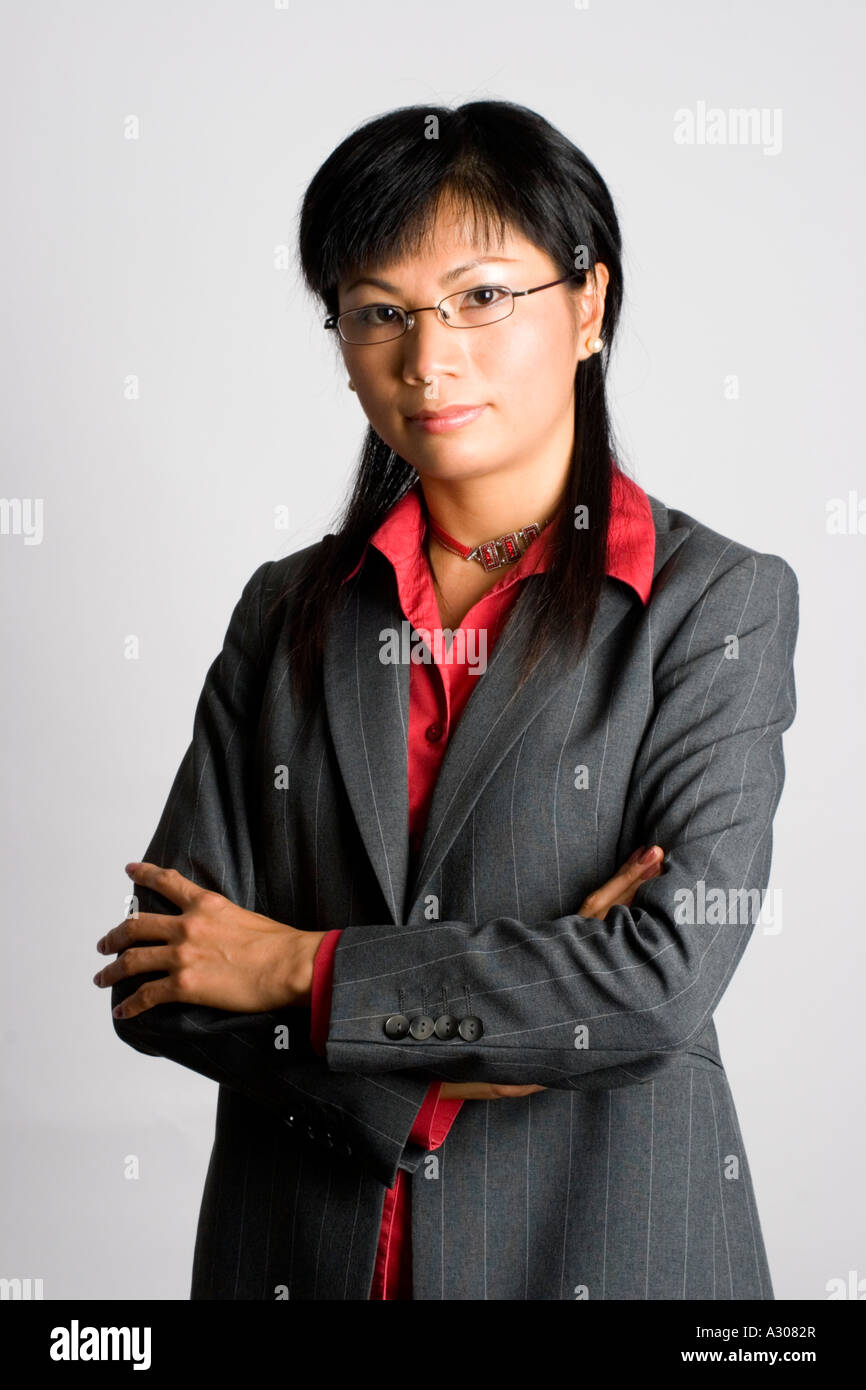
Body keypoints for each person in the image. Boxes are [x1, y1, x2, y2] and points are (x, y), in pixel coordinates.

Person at [94, 99, 799, 1300]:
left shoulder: (711, 603)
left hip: (602, 1250)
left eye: (481, 297)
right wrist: (439, 1056)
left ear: (585, 305)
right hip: (301, 1254)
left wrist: (298, 971)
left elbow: (655, 984)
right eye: (379, 313)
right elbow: (166, 978)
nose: (428, 358)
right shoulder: (286, 611)